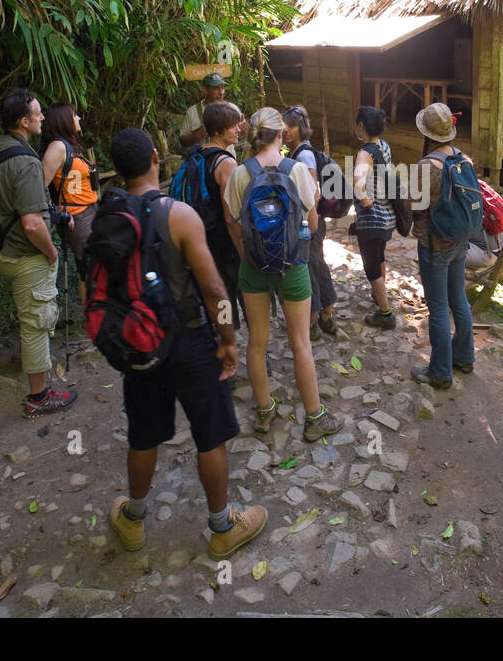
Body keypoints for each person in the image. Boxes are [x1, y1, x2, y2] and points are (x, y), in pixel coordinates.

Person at [104, 127, 267, 559]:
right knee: (209, 434)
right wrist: (228, 338)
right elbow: (215, 292)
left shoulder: (107, 218)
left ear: (117, 171)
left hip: (139, 344)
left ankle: (134, 520)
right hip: (191, 342)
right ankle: (221, 528)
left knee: (143, 435)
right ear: (156, 158)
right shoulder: (179, 216)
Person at [223, 107, 343, 441]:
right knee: (300, 343)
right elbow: (314, 225)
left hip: (253, 267)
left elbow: (232, 220)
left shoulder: (239, 173)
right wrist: (314, 203)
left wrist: (248, 256)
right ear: (281, 135)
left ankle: (264, 411)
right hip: (293, 266)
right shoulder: (298, 170)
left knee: (257, 342)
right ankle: (314, 417)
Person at [0, 88, 78, 418]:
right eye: (38, 114)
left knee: (29, 314)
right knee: (36, 324)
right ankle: (39, 397)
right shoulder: (26, 162)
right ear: (24, 121)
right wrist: (51, 252)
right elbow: (33, 224)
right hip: (22, 253)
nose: (43, 118)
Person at [410, 102, 476, 390]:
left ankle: (440, 372)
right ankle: (464, 356)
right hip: (460, 239)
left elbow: (416, 205)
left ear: (428, 134)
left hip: (434, 243)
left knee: (437, 308)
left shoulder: (428, 166)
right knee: (458, 298)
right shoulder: (465, 160)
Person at [281, 106, 338, 341]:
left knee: (310, 267)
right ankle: (326, 315)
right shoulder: (299, 152)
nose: (286, 131)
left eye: (291, 126)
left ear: (301, 128)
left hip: (309, 223)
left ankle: (314, 320)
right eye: (284, 126)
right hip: (311, 221)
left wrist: (306, 222)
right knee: (317, 263)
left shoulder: (303, 155)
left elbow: (312, 192)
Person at [40, 102, 99, 305]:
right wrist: (57, 213)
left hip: (90, 212)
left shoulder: (70, 146)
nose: (79, 118)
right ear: (64, 120)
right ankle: (92, 318)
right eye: (75, 115)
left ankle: (94, 316)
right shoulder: (57, 147)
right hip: (78, 217)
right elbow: (39, 186)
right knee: (89, 271)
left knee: (94, 268)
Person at [201, 100, 246, 329]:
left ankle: (222, 337)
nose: (238, 129)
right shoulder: (225, 163)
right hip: (224, 241)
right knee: (243, 293)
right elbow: (230, 216)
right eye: (233, 126)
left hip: (205, 237)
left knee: (220, 294)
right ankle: (255, 345)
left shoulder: (199, 154)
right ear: (218, 131)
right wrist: (243, 250)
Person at [352, 106, 397, 330]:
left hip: (372, 220)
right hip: (388, 217)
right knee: (379, 257)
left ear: (361, 126)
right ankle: (379, 296)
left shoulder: (364, 153)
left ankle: (385, 313)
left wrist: (364, 199)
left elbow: (358, 179)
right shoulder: (384, 146)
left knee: (371, 267)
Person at [179, 72, 227, 148]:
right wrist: (198, 135)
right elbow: (182, 142)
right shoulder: (192, 112)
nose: (221, 92)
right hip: (202, 158)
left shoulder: (231, 108)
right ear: (205, 90)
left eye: (222, 88)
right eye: (216, 89)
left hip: (227, 159)